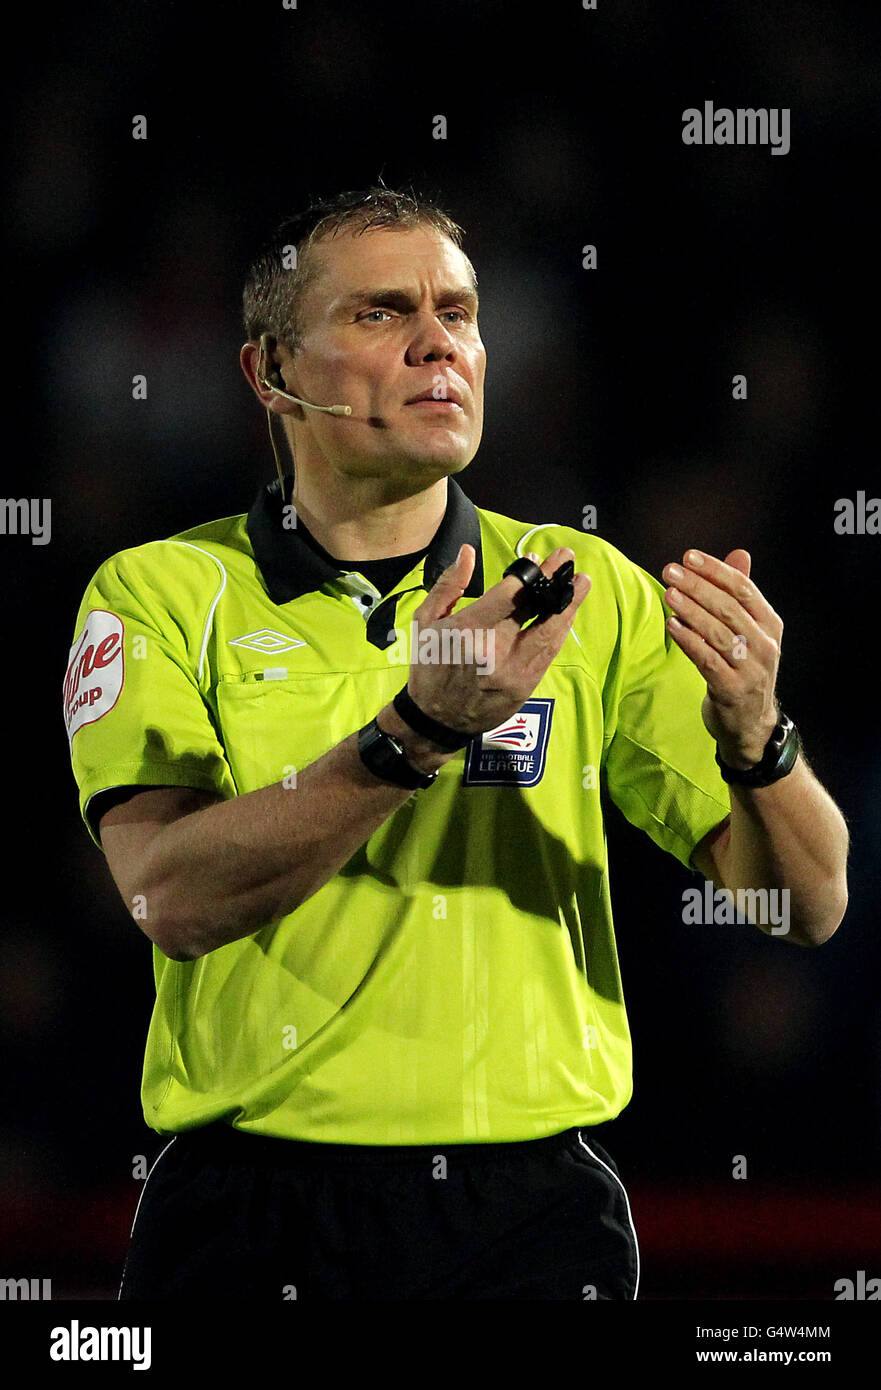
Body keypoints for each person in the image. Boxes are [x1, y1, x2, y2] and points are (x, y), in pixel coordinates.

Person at [64, 186, 849, 1301]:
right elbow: (166, 899)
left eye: (459, 311)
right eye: (381, 313)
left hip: (526, 1222)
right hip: (248, 1217)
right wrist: (414, 733)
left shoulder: (588, 591)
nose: (440, 341)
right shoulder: (160, 593)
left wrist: (758, 739)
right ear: (269, 373)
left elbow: (804, 904)